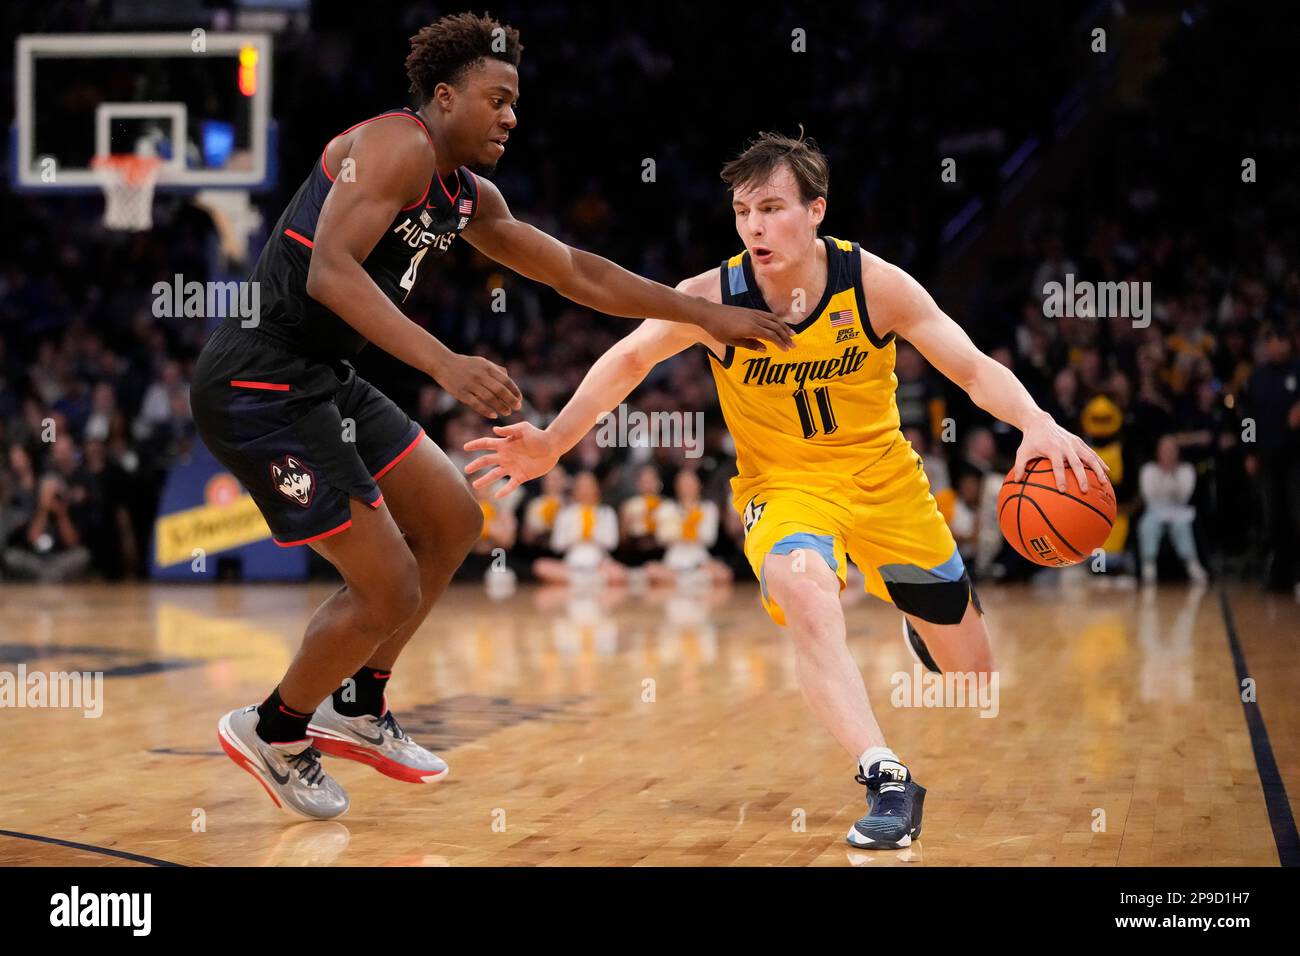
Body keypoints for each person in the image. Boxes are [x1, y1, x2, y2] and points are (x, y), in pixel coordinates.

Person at [191, 12, 793, 820]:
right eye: (497, 99)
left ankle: (360, 706)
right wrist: (445, 363)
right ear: (444, 97)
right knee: (389, 587)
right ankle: (272, 727)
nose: (512, 116)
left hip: (324, 380)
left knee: (453, 517)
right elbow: (329, 272)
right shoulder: (396, 144)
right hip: (259, 386)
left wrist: (705, 317)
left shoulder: (465, 194)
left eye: (516, 102)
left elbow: (578, 271)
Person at [466, 130, 1109, 848]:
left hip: (887, 485)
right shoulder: (712, 298)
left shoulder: (875, 285)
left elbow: (969, 366)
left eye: (772, 208)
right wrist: (554, 441)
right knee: (807, 590)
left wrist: (1038, 423)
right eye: (742, 211)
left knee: (973, 677)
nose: (754, 226)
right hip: (785, 489)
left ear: (815, 212)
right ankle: (885, 777)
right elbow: (628, 359)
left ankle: (920, 620)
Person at [1137, 436, 1208, 585]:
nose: (1168, 453)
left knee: (1182, 526)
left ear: (1177, 452)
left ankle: (1191, 564)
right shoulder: (1148, 470)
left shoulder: (1186, 470)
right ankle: (1148, 565)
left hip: (1179, 512)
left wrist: (1171, 475)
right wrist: (1166, 479)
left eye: (1171, 450)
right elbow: (1149, 495)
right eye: (1164, 450)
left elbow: (1184, 495)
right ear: (1158, 452)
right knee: (1147, 525)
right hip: (1155, 511)